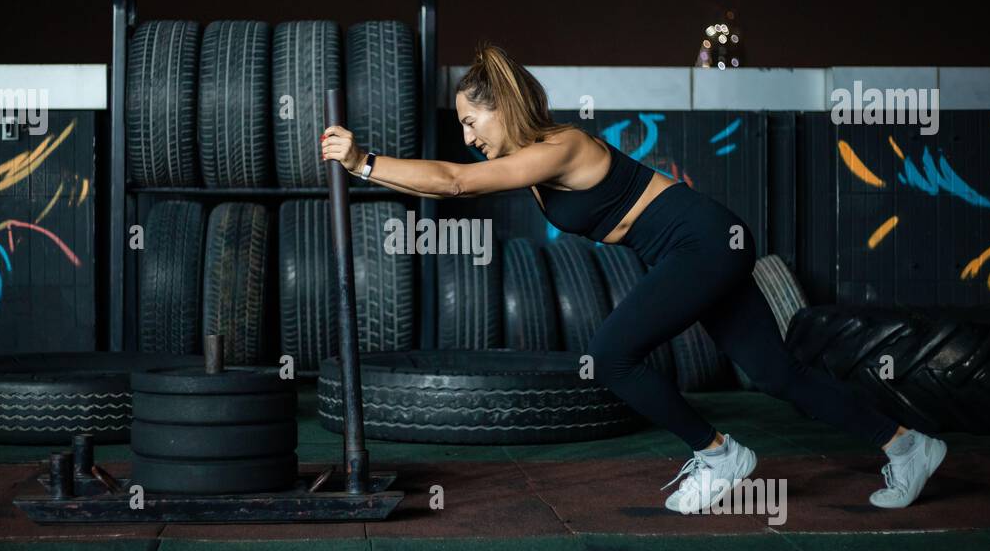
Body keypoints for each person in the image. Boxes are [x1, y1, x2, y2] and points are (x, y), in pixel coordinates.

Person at [320, 44, 947, 512]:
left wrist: (362, 159)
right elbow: (454, 182)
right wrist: (365, 170)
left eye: (470, 122)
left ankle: (720, 455)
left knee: (611, 355)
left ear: (503, 109)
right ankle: (906, 446)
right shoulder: (533, 168)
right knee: (777, 372)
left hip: (702, 242)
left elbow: (455, 182)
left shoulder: (560, 146)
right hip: (700, 247)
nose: (467, 135)